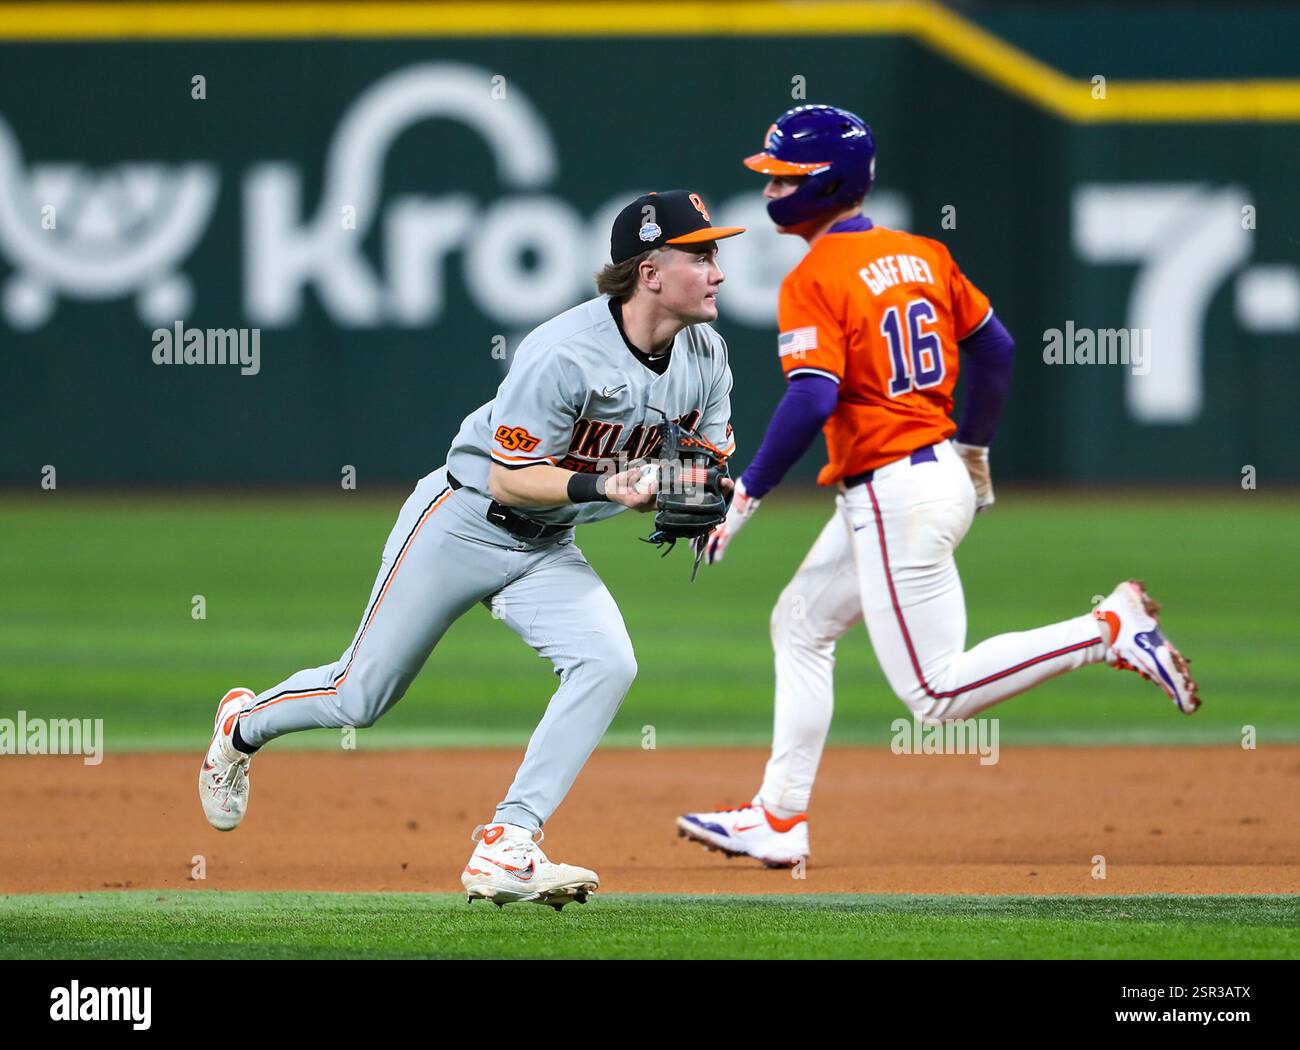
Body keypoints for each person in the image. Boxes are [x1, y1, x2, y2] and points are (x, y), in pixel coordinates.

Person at [677, 105, 1199, 868]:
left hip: (894, 495)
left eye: (786, 175)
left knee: (935, 696)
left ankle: (1107, 631)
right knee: (799, 625)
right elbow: (997, 347)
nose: (772, 187)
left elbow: (813, 397)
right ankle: (779, 818)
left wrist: (747, 493)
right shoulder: (921, 253)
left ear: (824, 181)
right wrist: (976, 446)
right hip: (929, 475)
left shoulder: (815, 276)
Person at [199, 189, 743, 907]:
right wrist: (607, 487)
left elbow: (709, 459)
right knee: (360, 696)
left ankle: (509, 841)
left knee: (607, 660)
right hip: (462, 520)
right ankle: (242, 727)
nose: (719, 270)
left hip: (547, 546)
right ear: (649, 271)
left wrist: (709, 501)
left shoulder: (706, 353)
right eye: (701, 253)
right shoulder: (561, 353)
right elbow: (510, 479)